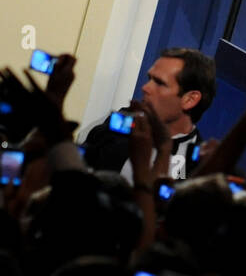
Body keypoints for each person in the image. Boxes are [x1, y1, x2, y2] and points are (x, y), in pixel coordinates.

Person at [82, 47, 216, 184]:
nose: (145, 87)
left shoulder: (199, 166)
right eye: (149, 78)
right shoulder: (119, 124)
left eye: (160, 83)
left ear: (190, 99)